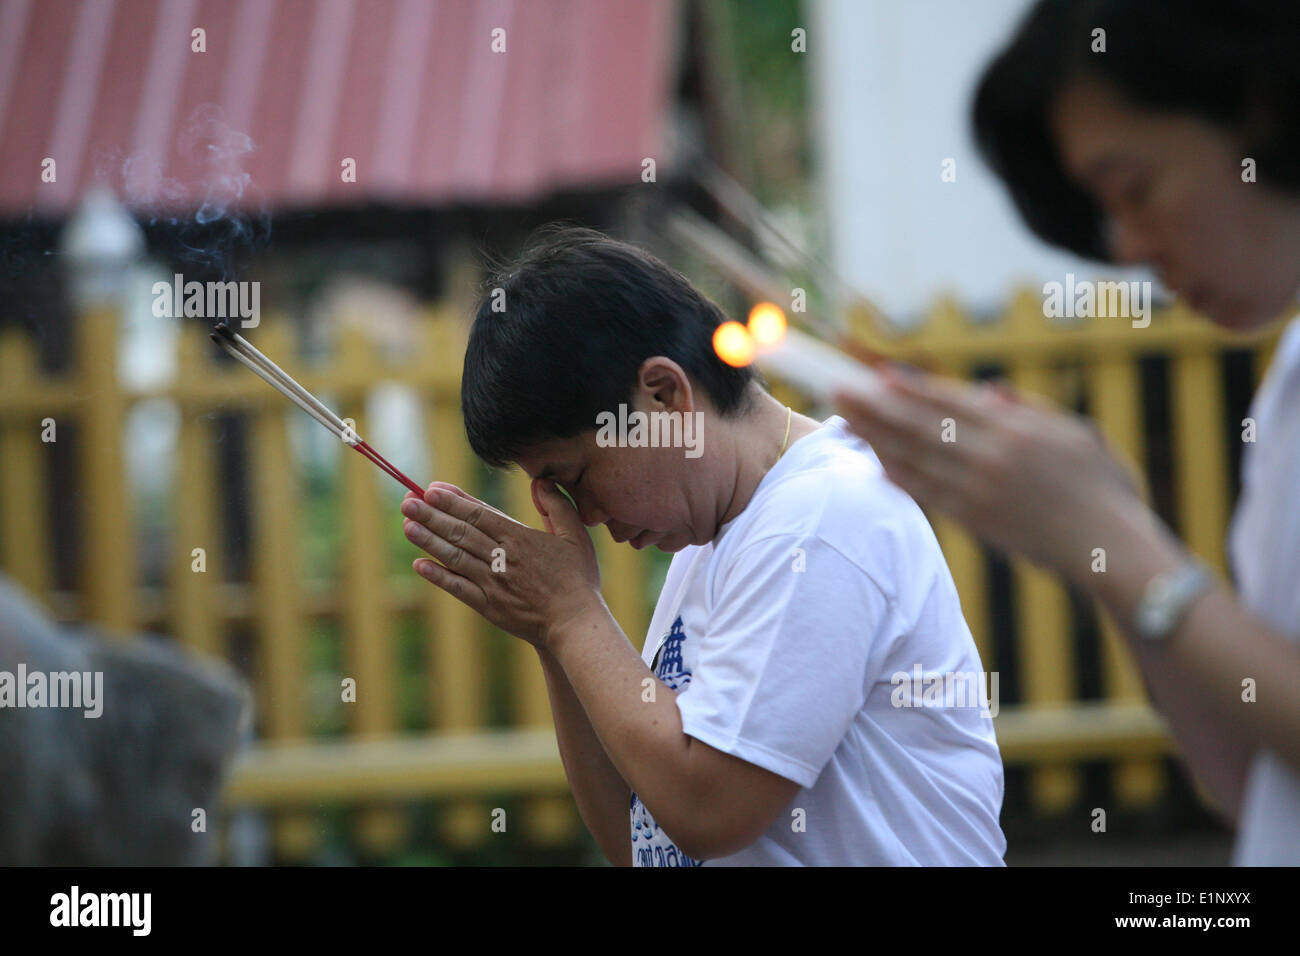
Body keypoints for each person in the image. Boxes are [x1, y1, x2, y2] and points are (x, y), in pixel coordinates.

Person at [834, 0, 1300, 865]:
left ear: (1263, 106)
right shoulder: (1283, 390)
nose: (1126, 248)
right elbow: (1250, 783)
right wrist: (1105, 535)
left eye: (1134, 187)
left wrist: (1113, 541)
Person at [400, 227, 1006, 865]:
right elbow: (641, 840)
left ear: (664, 396)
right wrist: (552, 634)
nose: (589, 516)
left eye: (576, 478)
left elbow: (707, 811)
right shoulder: (716, 539)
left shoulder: (819, 523)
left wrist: (571, 615)